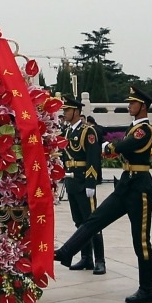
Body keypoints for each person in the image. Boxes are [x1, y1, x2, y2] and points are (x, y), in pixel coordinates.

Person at [56, 85, 152, 303]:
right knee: (94, 220)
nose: (129, 106)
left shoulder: (145, 129)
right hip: (125, 185)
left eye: (132, 103)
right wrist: (113, 146)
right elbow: (120, 145)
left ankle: (147, 289)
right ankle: (66, 251)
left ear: (143, 106)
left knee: (140, 241)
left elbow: (124, 146)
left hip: (140, 188)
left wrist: (112, 146)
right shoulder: (133, 126)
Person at [59, 100, 106, 274]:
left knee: (93, 222)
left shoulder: (88, 131)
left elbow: (93, 158)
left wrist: (91, 182)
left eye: (68, 110)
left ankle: (100, 260)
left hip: (84, 181)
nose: (65, 113)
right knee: (79, 222)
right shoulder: (67, 132)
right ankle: (86, 258)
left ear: (77, 111)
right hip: (71, 181)